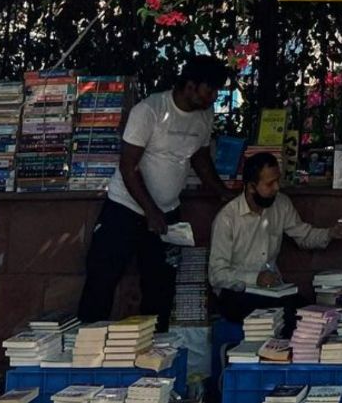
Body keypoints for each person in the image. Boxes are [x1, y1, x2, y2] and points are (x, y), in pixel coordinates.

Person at [78, 55, 234, 330]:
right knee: (102, 279)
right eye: (209, 90)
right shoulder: (149, 110)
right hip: (125, 209)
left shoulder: (204, 116)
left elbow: (199, 157)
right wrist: (150, 211)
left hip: (168, 212)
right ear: (189, 86)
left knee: (161, 284)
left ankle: (156, 349)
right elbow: (128, 167)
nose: (213, 98)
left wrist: (221, 192)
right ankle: (87, 348)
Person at [209, 152, 342, 336]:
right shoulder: (227, 218)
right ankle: (278, 360)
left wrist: (330, 233)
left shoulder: (280, 204)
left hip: (274, 291)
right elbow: (217, 274)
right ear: (251, 187)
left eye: (277, 181)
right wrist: (255, 278)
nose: (276, 187)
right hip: (236, 294)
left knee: (310, 315)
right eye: (269, 184)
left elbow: (303, 235)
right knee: (286, 315)